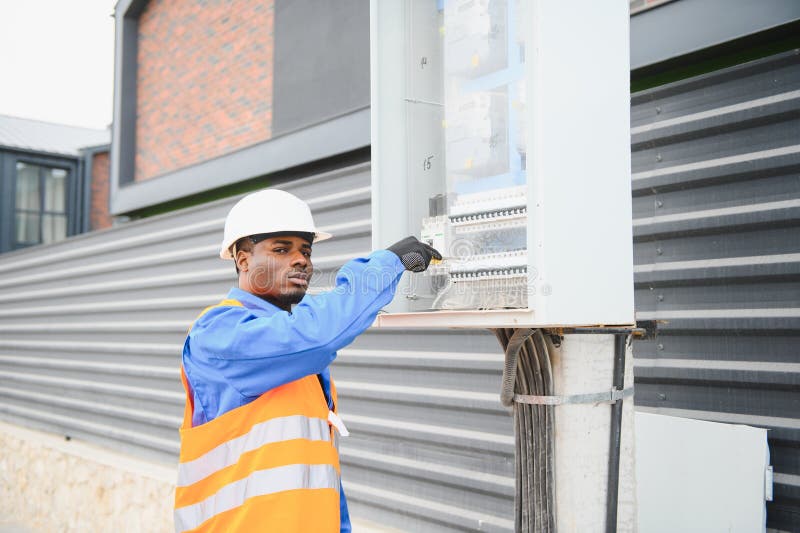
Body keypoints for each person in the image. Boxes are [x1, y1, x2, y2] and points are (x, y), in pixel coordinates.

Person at [173, 189, 441, 533]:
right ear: (242, 259)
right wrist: (385, 266)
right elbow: (315, 334)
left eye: (306, 251)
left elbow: (316, 481)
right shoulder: (219, 333)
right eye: (281, 249)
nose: (301, 260)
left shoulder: (295, 358)